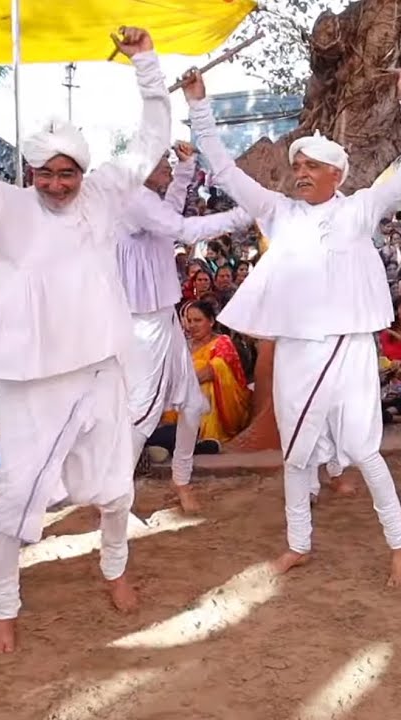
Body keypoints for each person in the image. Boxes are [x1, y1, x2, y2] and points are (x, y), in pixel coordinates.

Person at [0, 28, 169, 653]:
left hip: (101, 367)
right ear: (31, 171)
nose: (57, 184)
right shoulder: (4, 204)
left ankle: (115, 570)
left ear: (82, 170)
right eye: (47, 174)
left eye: (67, 174)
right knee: (18, 493)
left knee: (114, 485)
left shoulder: (106, 194)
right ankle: (5, 607)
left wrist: (145, 64)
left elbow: (152, 138)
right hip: (31, 380)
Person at [183, 58, 401, 588]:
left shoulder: (360, 209)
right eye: (298, 164)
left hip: (346, 349)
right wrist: (199, 106)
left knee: (365, 451)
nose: (301, 172)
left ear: (337, 175)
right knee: (296, 453)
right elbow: (226, 171)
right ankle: (298, 544)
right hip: (297, 348)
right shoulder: (277, 211)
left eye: (313, 166)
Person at [117, 139, 251, 512]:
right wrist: (244, 214)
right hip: (143, 327)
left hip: (162, 320)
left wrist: (186, 168)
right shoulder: (133, 199)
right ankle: (116, 502)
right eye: (162, 161)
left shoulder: (146, 204)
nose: (167, 165)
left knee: (193, 406)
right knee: (141, 419)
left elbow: (171, 214)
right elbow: (182, 228)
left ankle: (181, 481)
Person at [183, 300, 252, 443]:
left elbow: (213, 371)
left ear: (211, 321)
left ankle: (205, 435)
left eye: (198, 320)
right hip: (186, 399)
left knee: (212, 372)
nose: (192, 325)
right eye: (189, 321)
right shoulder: (184, 346)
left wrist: (185, 383)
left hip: (225, 406)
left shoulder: (223, 342)